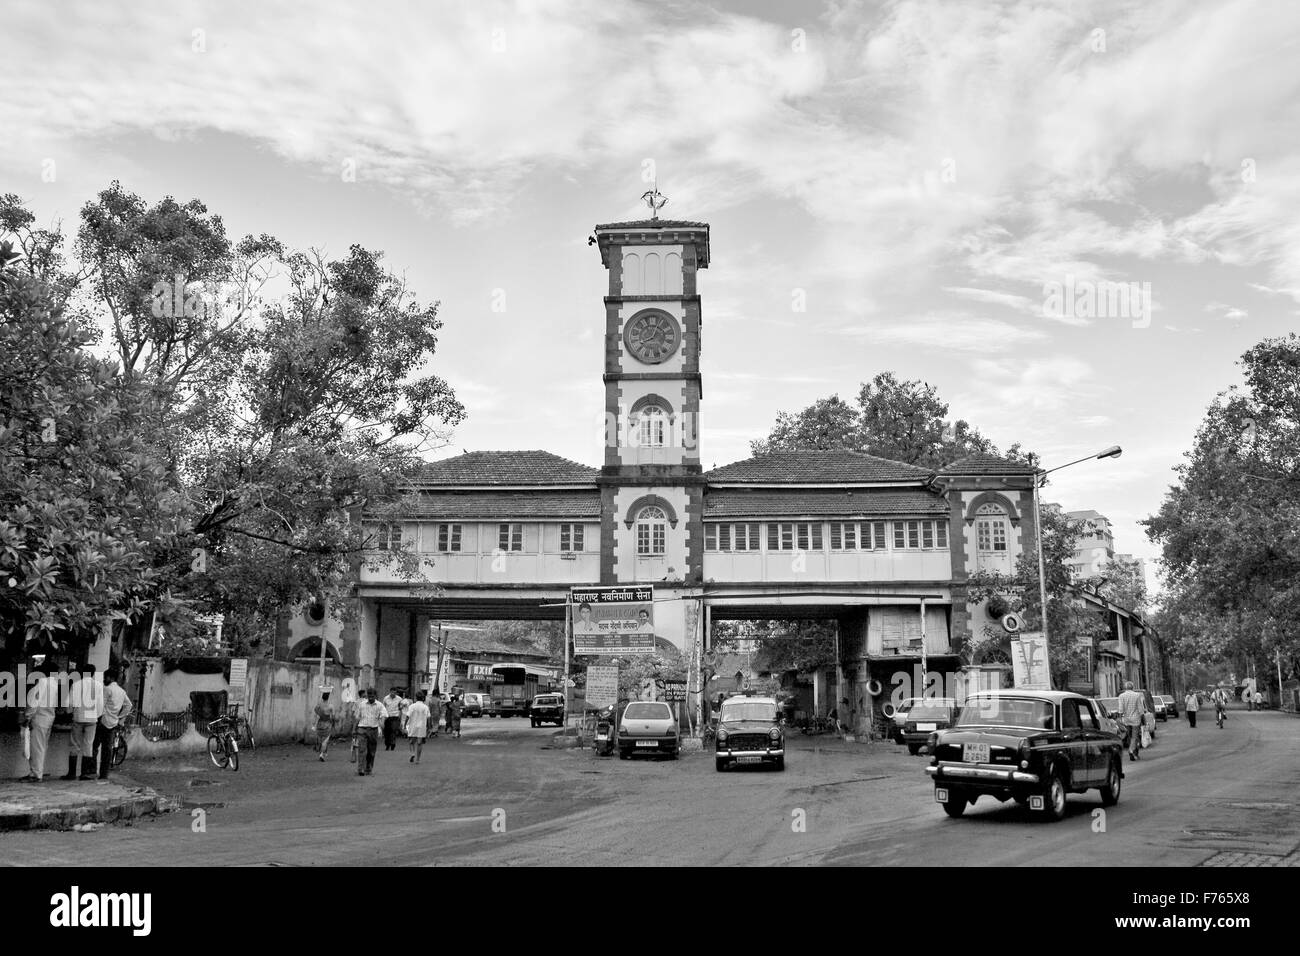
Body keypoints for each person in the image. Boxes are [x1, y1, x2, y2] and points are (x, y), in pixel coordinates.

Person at [94, 667, 133, 783]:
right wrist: (120, 718)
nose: (104, 679)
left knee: (94, 747)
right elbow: (129, 705)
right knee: (107, 749)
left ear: (110, 678)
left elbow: (100, 706)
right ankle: (104, 774)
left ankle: (91, 771)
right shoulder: (121, 691)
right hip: (113, 722)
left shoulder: (107, 689)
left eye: (105, 677)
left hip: (102, 721)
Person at [21, 660, 57, 782]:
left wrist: (27, 717)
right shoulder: (55, 684)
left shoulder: (42, 682)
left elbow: (34, 702)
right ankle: (36, 772)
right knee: (42, 747)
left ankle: (36, 775)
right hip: (49, 718)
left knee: (36, 748)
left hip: (39, 718)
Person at [64, 665, 101, 780]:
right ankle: (84, 773)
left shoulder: (76, 685)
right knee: (88, 745)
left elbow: (70, 703)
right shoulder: (98, 686)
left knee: (74, 744)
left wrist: (69, 712)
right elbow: (100, 705)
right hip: (92, 719)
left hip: (78, 717)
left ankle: (71, 773)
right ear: (93, 673)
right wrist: (97, 715)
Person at [354, 688, 386, 775]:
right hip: (362, 729)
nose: (371, 698)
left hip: (373, 730)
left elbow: (383, 715)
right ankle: (360, 769)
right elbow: (357, 717)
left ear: (375, 696)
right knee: (362, 750)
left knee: (371, 751)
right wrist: (354, 729)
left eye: (372, 696)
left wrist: (382, 723)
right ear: (367, 696)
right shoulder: (362, 704)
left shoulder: (380, 705)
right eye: (369, 696)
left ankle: (368, 767)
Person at [1117, 680, 1146, 760]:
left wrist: (1120, 718)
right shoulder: (1137, 695)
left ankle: (1134, 752)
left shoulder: (1121, 696)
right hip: (1136, 719)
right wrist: (1143, 720)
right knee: (1135, 737)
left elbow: (1120, 709)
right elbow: (1140, 709)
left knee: (1130, 737)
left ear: (1125, 687)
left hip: (1126, 720)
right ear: (1132, 687)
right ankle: (1131, 750)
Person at [404, 690, 431, 763]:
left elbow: (407, 716)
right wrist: (429, 728)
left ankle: (412, 753)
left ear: (416, 698)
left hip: (413, 725)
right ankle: (418, 759)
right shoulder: (425, 707)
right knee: (419, 743)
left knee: (411, 741)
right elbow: (428, 718)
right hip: (422, 726)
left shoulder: (412, 706)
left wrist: (404, 725)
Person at [314, 690, 336, 761]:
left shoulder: (319, 704)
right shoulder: (331, 706)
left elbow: (316, 712)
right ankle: (322, 754)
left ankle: (322, 752)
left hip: (319, 724)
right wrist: (333, 724)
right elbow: (333, 716)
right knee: (325, 741)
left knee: (320, 740)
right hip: (327, 724)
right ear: (328, 697)